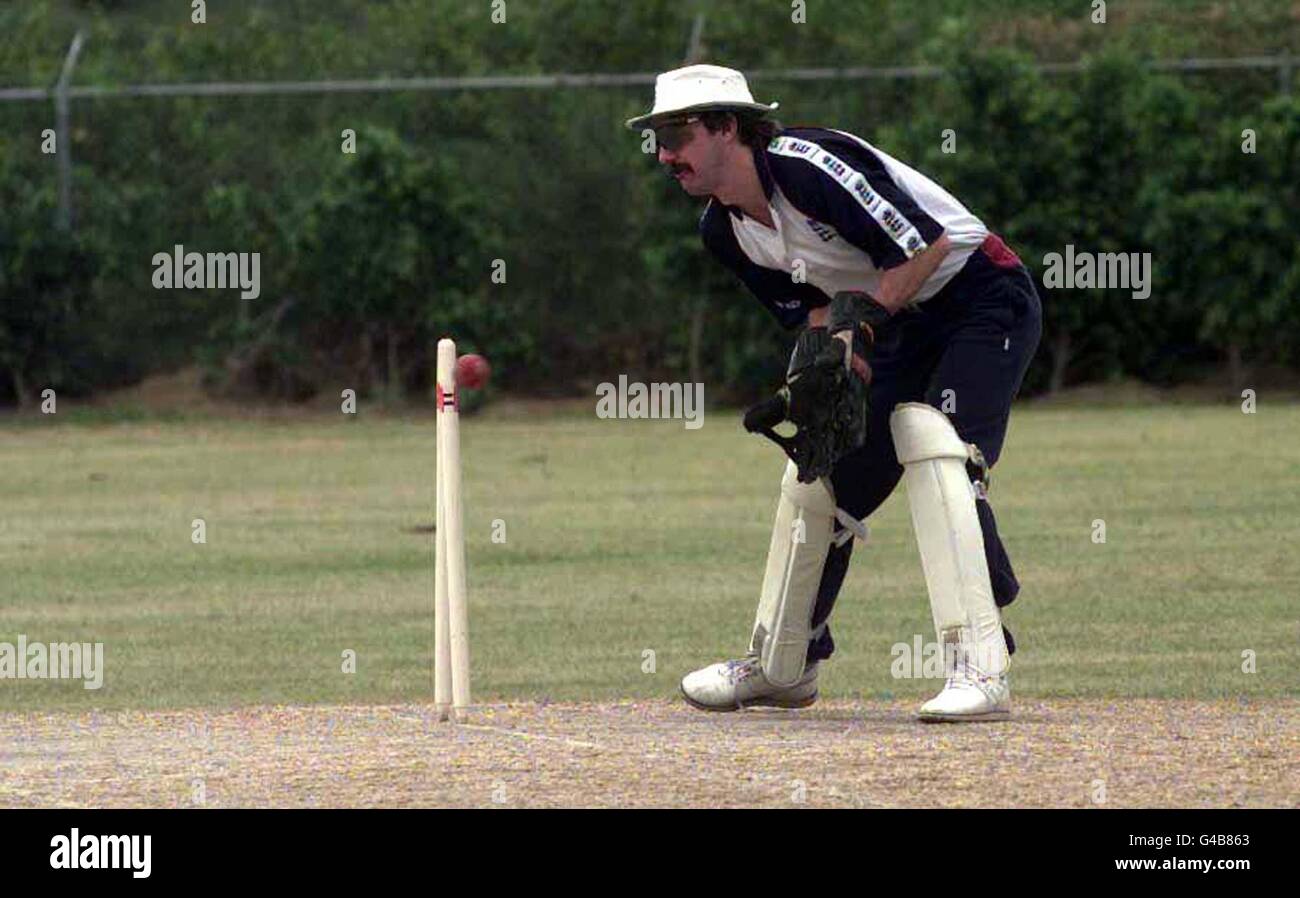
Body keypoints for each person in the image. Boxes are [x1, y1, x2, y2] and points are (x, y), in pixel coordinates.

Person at [626, 64, 1042, 721]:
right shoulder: (722, 229)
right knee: (820, 475)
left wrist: (859, 326)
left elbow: (924, 247)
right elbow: (812, 314)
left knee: (934, 442)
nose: (664, 153)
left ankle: (980, 667)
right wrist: (822, 372)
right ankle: (785, 666)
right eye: (655, 137)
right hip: (896, 320)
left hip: (978, 295)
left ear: (729, 127)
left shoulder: (807, 167)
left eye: (676, 133)